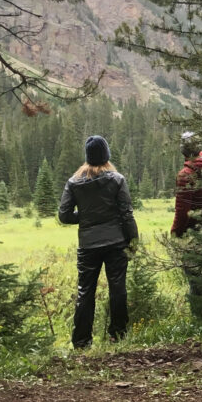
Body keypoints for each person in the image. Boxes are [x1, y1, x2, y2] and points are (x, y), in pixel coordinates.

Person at [58, 135, 138, 349]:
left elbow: (64, 215)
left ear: (88, 156)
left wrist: (84, 217)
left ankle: (81, 341)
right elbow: (127, 214)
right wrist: (133, 240)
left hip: (88, 245)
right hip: (116, 243)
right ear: (106, 156)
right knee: (117, 288)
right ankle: (118, 336)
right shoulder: (117, 179)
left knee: (85, 290)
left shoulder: (74, 182)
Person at [171, 131, 202, 237]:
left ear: (183, 150)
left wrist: (175, 233)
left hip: (192, 232)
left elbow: (182, 211)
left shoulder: (185, 175)